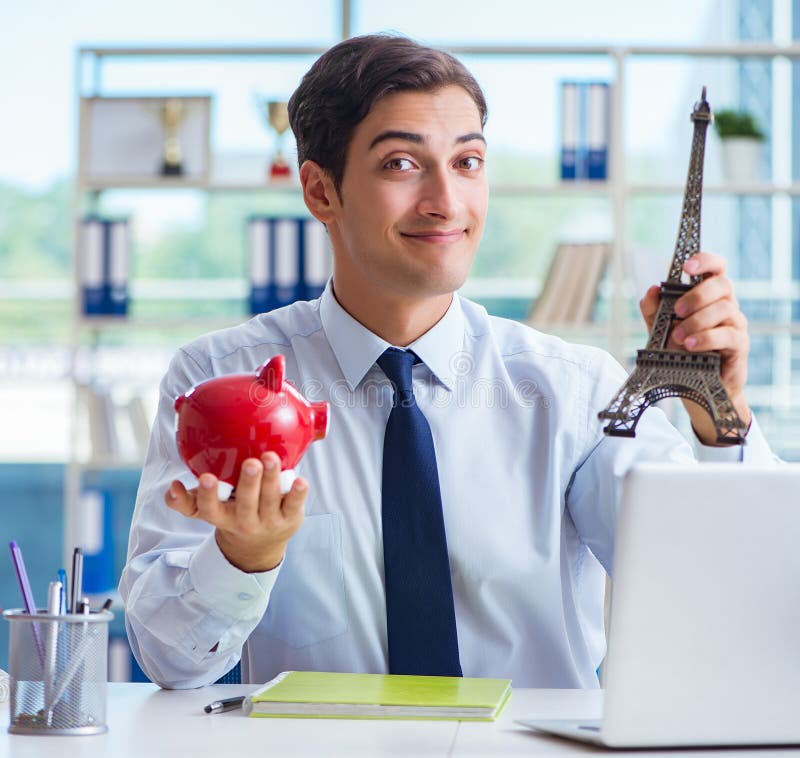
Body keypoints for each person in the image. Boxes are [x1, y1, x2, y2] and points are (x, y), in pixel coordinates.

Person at [120, 34, 776, 690]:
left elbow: (726, 592)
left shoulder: (575, 394)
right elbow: (170, 662)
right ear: (321, 192)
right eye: (402, 164)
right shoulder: (217, 385)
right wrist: (243, 557)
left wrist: (726, 422)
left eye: (467, 162)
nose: (446, 202)